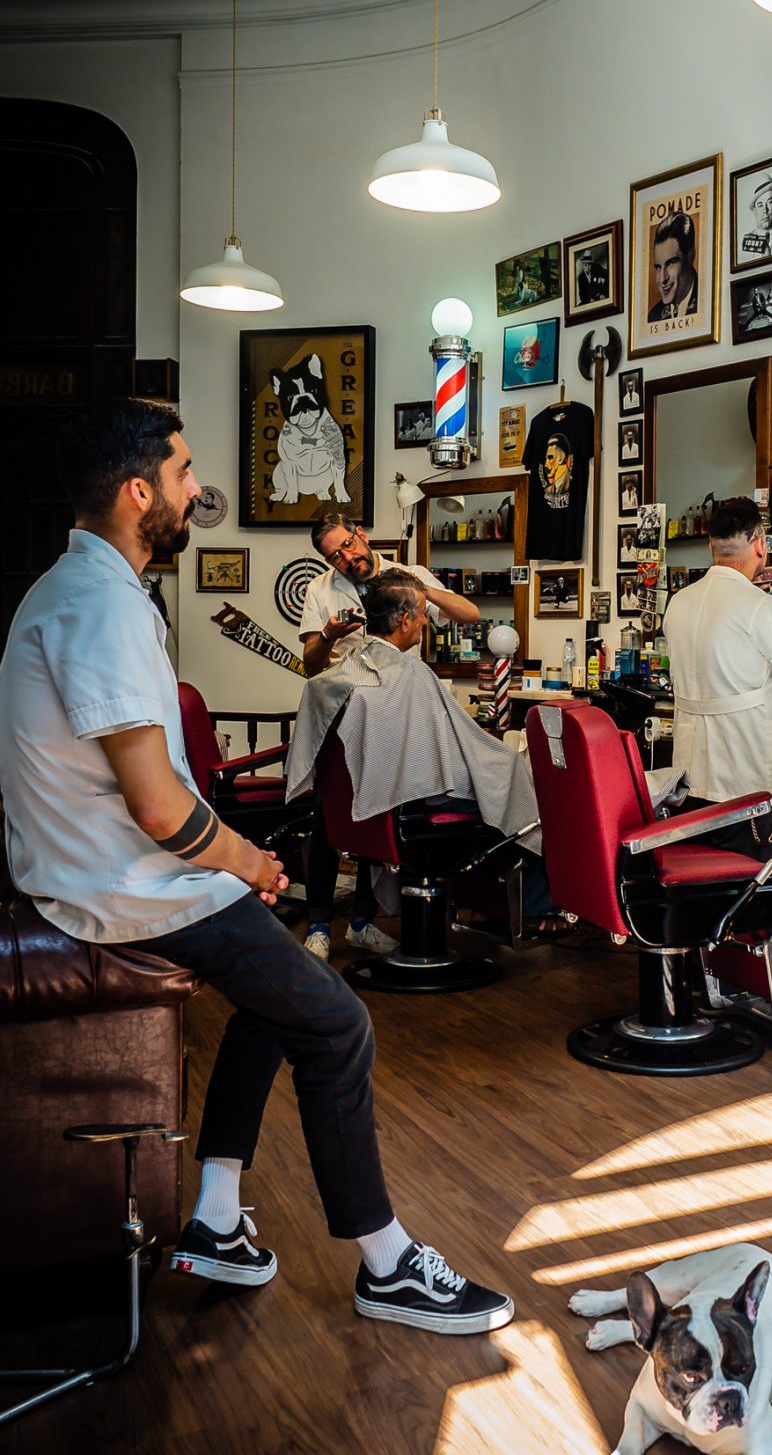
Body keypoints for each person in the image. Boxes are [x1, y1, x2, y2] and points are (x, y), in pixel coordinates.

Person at [0, 398, 513, 1335]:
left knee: (288, 989)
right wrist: (247, 863)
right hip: (121, 890)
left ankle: (215, 1217)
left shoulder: (73, 592)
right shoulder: (101, 607)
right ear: (136, 491)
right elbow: (157, 806)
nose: (199, 492)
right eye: (186, 473)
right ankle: (386, 1263)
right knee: (338, 1025)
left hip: (117, 874)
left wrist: (237, 865)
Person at [288, 569, 561, 928]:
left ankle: (484, 910)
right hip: (411, 808)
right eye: (420, 616)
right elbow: (458, 750)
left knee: (501, 786)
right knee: (526, 795)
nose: (423, 625)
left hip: (362, 811)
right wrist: (510, 762)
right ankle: (535, 912)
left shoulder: (336, 679)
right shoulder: (410, 674)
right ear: (404, 620)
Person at [298, 512, 479, 959]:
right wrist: (328, 635)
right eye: (333, 556)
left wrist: (420, 590)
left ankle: (362, 921)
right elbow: (311, 664)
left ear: (362, 534)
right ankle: (319, 925)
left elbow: (470, 614)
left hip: (397, 714)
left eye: (347, 546)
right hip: (345, 712)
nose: (344, 558)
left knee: (379, 805)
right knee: (333, 813)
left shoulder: (409, 575)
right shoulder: (320, 590)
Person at [663, 498, 772, 860]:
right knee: (744, 880)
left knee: (696, 874)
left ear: (711, 546)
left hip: (689, 774)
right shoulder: (762, 607)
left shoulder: (678, 603)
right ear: (760, 542)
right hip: (745, 777)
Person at [648, 211, 699, 322]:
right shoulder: (653, 317)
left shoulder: (709, 302)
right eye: (658, 267)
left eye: (670, 263)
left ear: (691, 257)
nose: (662, 279)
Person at [742, 174, 772, 259]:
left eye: (770, 202)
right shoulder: (742, 246)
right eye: (760, 205)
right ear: (754, 210)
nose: (765, 210)